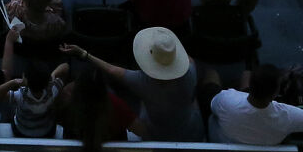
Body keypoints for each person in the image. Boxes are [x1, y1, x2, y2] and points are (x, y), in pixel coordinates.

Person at [61, 27, 207, 141]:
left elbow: (111, 70)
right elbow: (187, 60)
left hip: (158, 137)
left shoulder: (142, 82)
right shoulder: (191, 70)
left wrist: (85, 54)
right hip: (192, 134)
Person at [210, 63, 303, 146]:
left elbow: (213, 105)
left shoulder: (227, 99)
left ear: (250, 86)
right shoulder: (286, 115)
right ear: (275, 93)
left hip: (223, 146)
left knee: (211, 74)